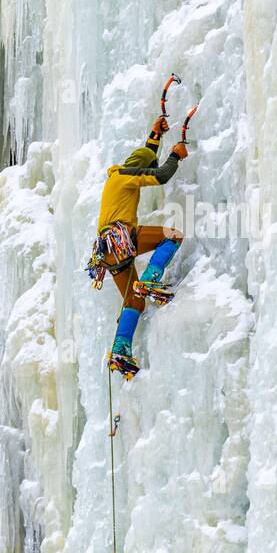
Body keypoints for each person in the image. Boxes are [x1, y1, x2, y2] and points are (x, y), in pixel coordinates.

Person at [88, 115, 190, 378]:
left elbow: (143, 161)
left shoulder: (118, 176)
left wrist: (154, 137)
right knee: (173, 235)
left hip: (106, 254)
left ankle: (121, 350)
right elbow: (161, 174)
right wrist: (175, 155)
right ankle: (151, 279)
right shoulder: (126, 176)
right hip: (121, 238)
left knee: (133, 300)